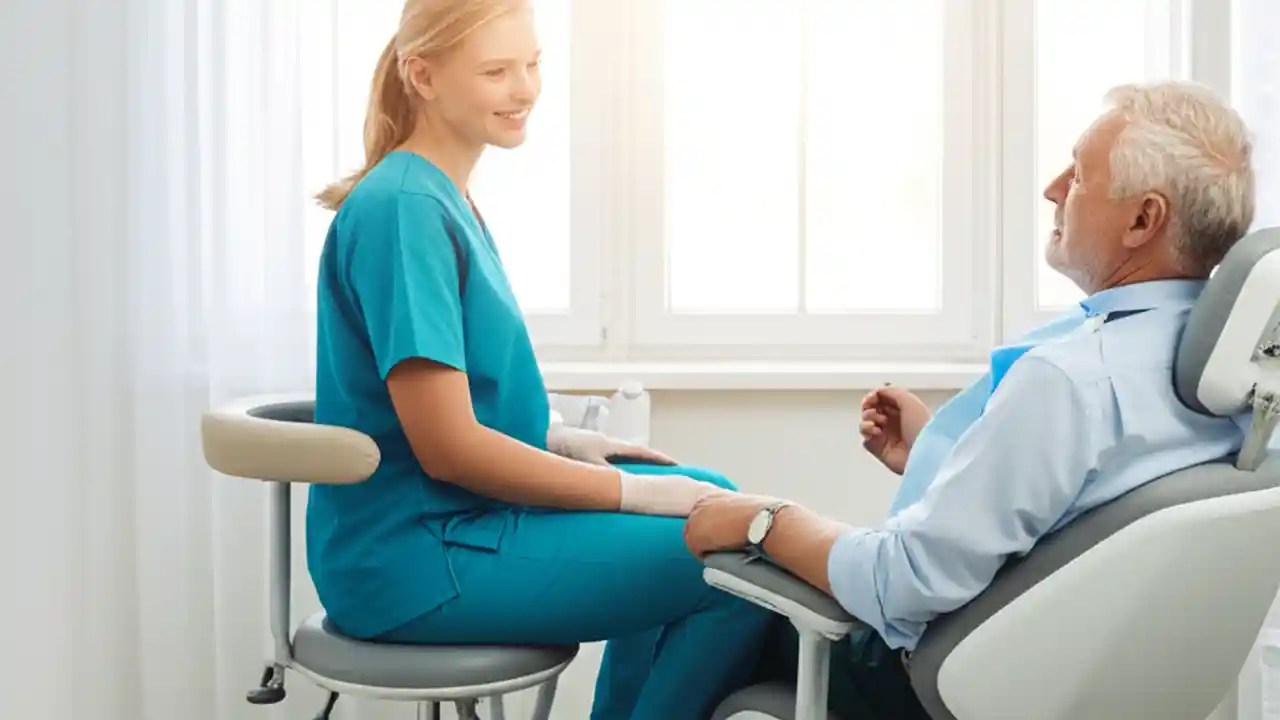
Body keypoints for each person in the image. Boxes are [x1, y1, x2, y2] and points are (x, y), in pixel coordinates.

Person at [684, 80, 1257, 719]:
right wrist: (942, 450)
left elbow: (903, 583)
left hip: (925, 685)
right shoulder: (1226, 381)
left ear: (1143, 220)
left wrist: (764, 519)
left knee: (695, 589)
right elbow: (1083, 506)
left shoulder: (1074, 381)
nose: (1053, 188)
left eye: (1080, 175)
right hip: (1075, 678)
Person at [307, 2, 772, 718]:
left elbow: (448, 398)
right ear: (422, 76)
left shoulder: (443, 197)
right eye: (496, 71)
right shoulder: (403, 209)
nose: (524, 89)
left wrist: (559, 440)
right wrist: (634, 494)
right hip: (416, 557)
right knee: (736, 567)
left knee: (711, 493)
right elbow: (447, 448)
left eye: (532, 64)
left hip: (457, 525)